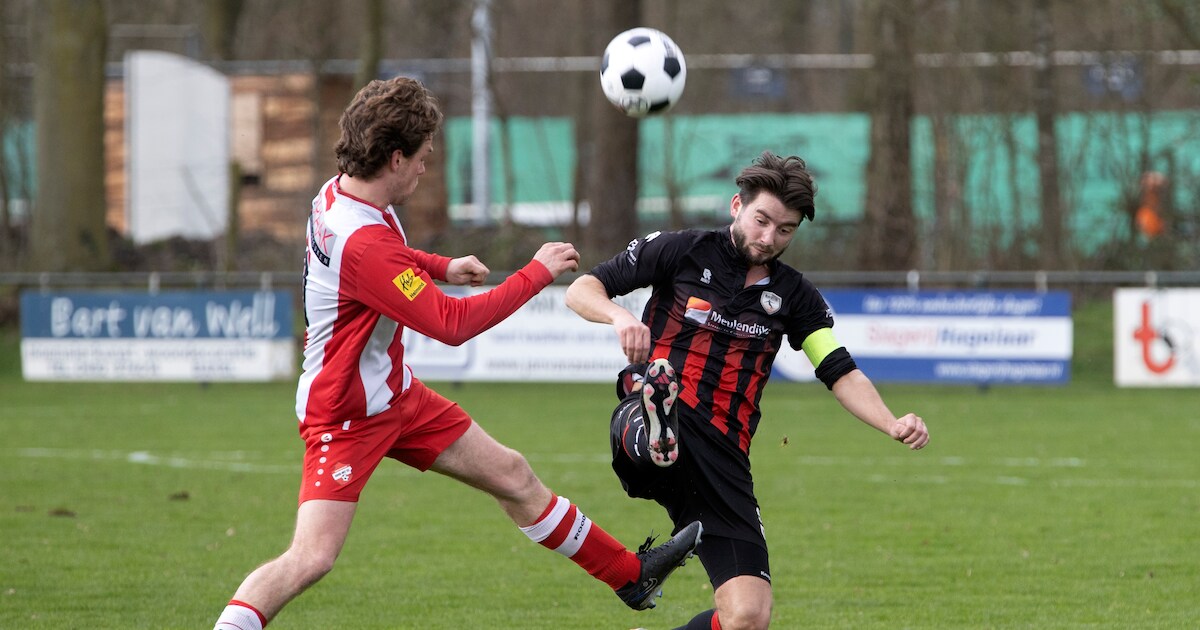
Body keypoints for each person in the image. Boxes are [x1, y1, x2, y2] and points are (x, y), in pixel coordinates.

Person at [212, 77, 701, 630]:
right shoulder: (363, 241)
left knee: (512, 474)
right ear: (395, 158)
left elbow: (387, 258)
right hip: (345, 412)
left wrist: (441, 266)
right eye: (423, 157)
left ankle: (631, 576)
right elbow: (451, 324)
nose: (426, 167)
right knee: (311, 558)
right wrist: (535, 273)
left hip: (394, 393)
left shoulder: (342, 193)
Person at [565, 151, 930, 630]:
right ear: (737, 206)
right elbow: (582, 288)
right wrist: (619, 316)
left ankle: (660, 432)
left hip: (724, 458)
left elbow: (838, 370)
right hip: (656, 412)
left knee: (748, 616)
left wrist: (892, 422)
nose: (769, 237)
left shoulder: (795, 296)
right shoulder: (681, 250)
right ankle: (657, 426)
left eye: (785, 229)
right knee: (658, 398)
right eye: (762, 220)